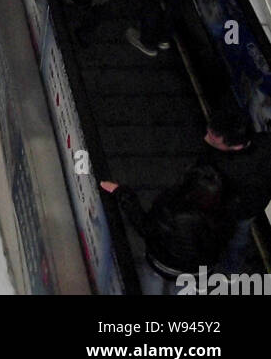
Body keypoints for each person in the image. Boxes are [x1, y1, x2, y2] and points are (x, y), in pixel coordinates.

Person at [100, 165, 231, 295]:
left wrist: (123, 194)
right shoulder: (226, 212)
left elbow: (145, 227)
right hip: (199, 271)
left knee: (151, 284)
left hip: (162, 265)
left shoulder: (170, 207)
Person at [200, 110, 271, 272]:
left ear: (234, 145)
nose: (206, 138)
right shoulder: (265, 142)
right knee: (240, 238)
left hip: (228, 209)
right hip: (253, 206)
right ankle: (231, 269)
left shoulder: (222, 166)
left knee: (223, 237)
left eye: (212, 138)